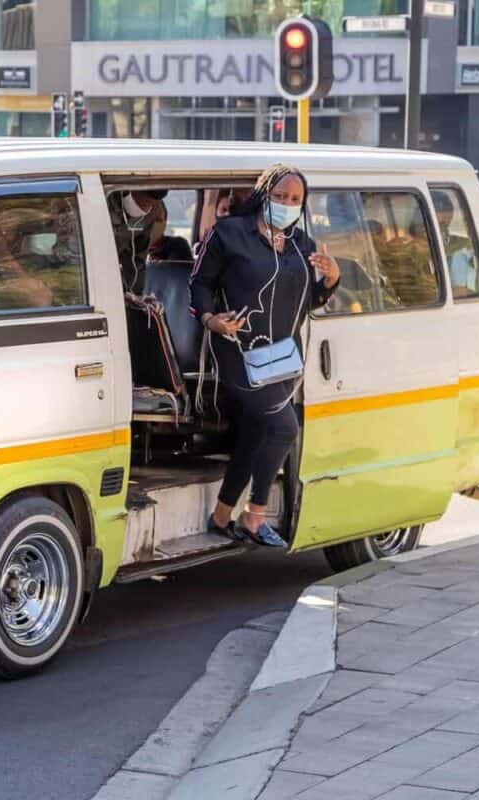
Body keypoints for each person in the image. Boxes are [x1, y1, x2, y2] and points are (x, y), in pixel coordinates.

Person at [189, 164, 340, 547]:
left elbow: (308, 303)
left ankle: (222, 515)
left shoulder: (301, 245)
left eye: (295, 200)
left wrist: (331, 281)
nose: (287, 204)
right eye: (280, 196)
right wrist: (210, 318)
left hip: (283, 356)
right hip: (237, 351)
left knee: (256, 432)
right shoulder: (229, 233)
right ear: (263, 194)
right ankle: (255, 517)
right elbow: (200, 281)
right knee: (285, 427)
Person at [111, 189, 168, 293]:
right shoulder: (106, 198)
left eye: (151, 203)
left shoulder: (154, 211)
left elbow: (137, 257)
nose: (146, 207)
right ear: (131, 190)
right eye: (145, 201)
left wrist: (135, 297)